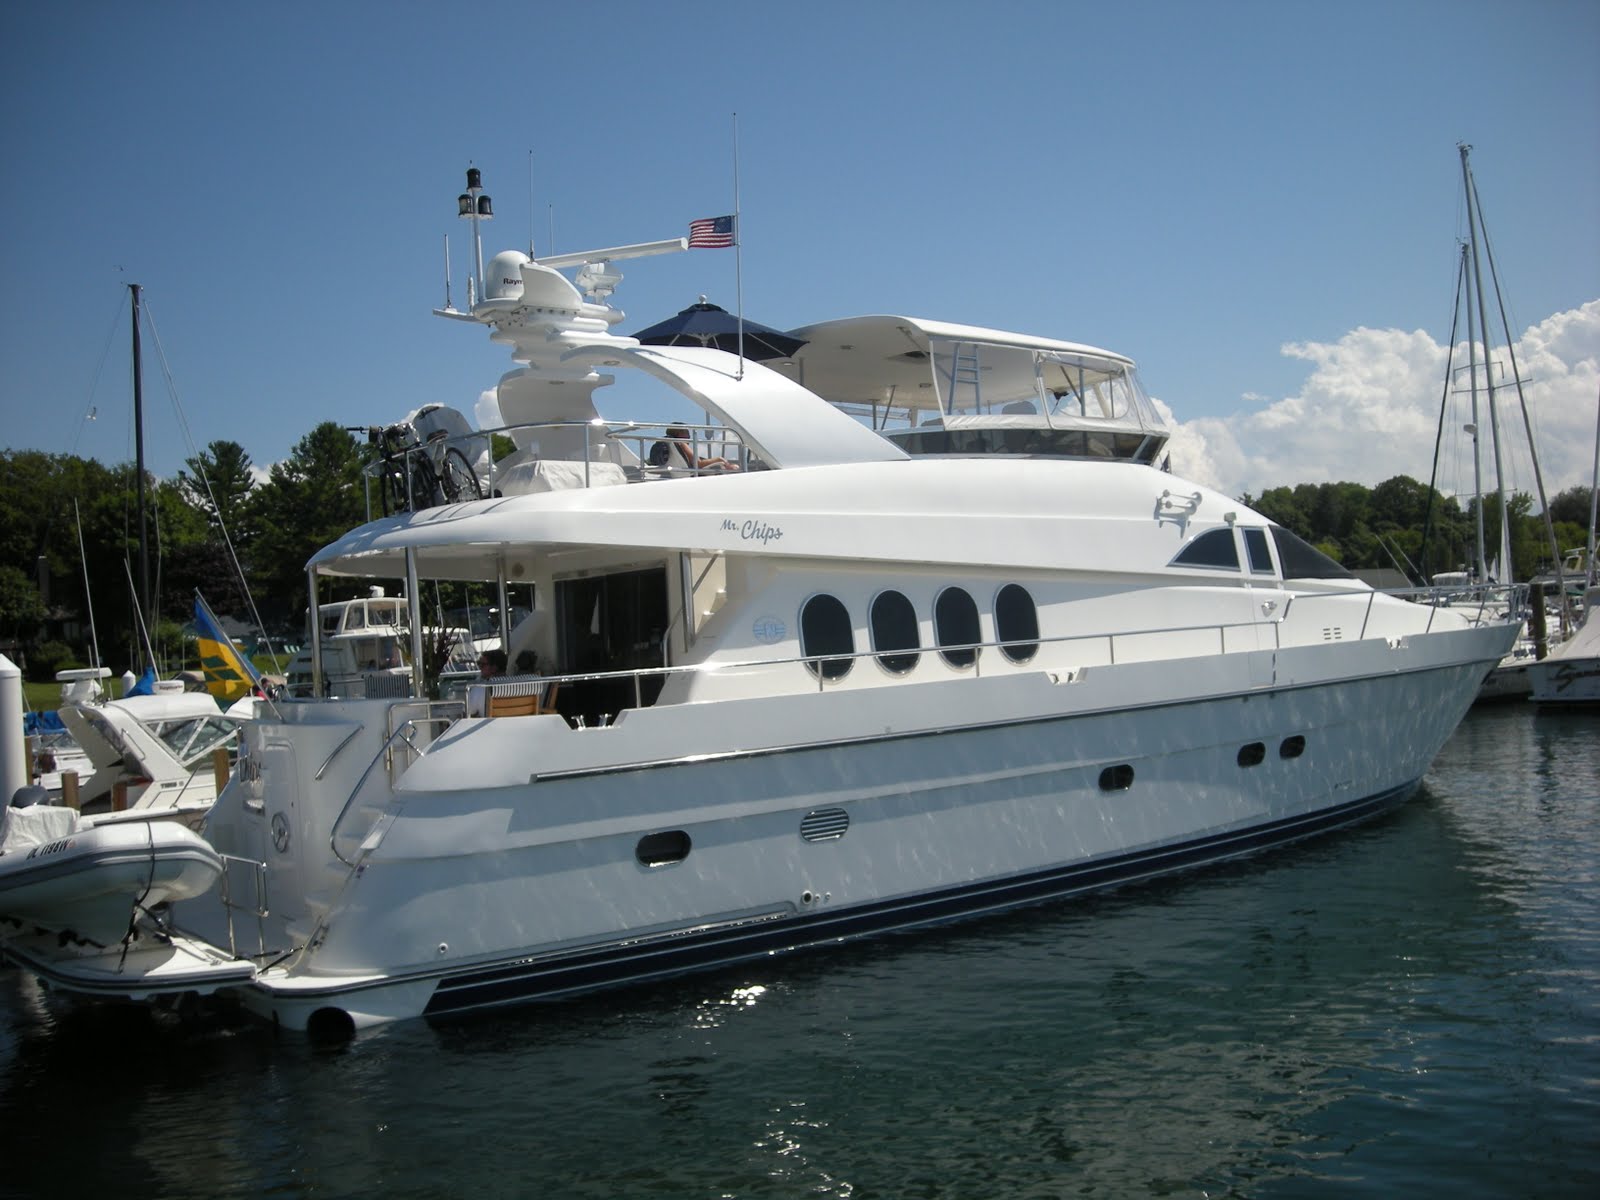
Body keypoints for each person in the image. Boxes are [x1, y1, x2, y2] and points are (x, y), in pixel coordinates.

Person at [664, 426, 739, 473]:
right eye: (687, 433)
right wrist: (719, 460)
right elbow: (698, 464)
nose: (689, 436)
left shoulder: (672, 445)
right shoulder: (681, 442)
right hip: (696, 473)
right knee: (724, 462)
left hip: (687, 472)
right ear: (679, 434)